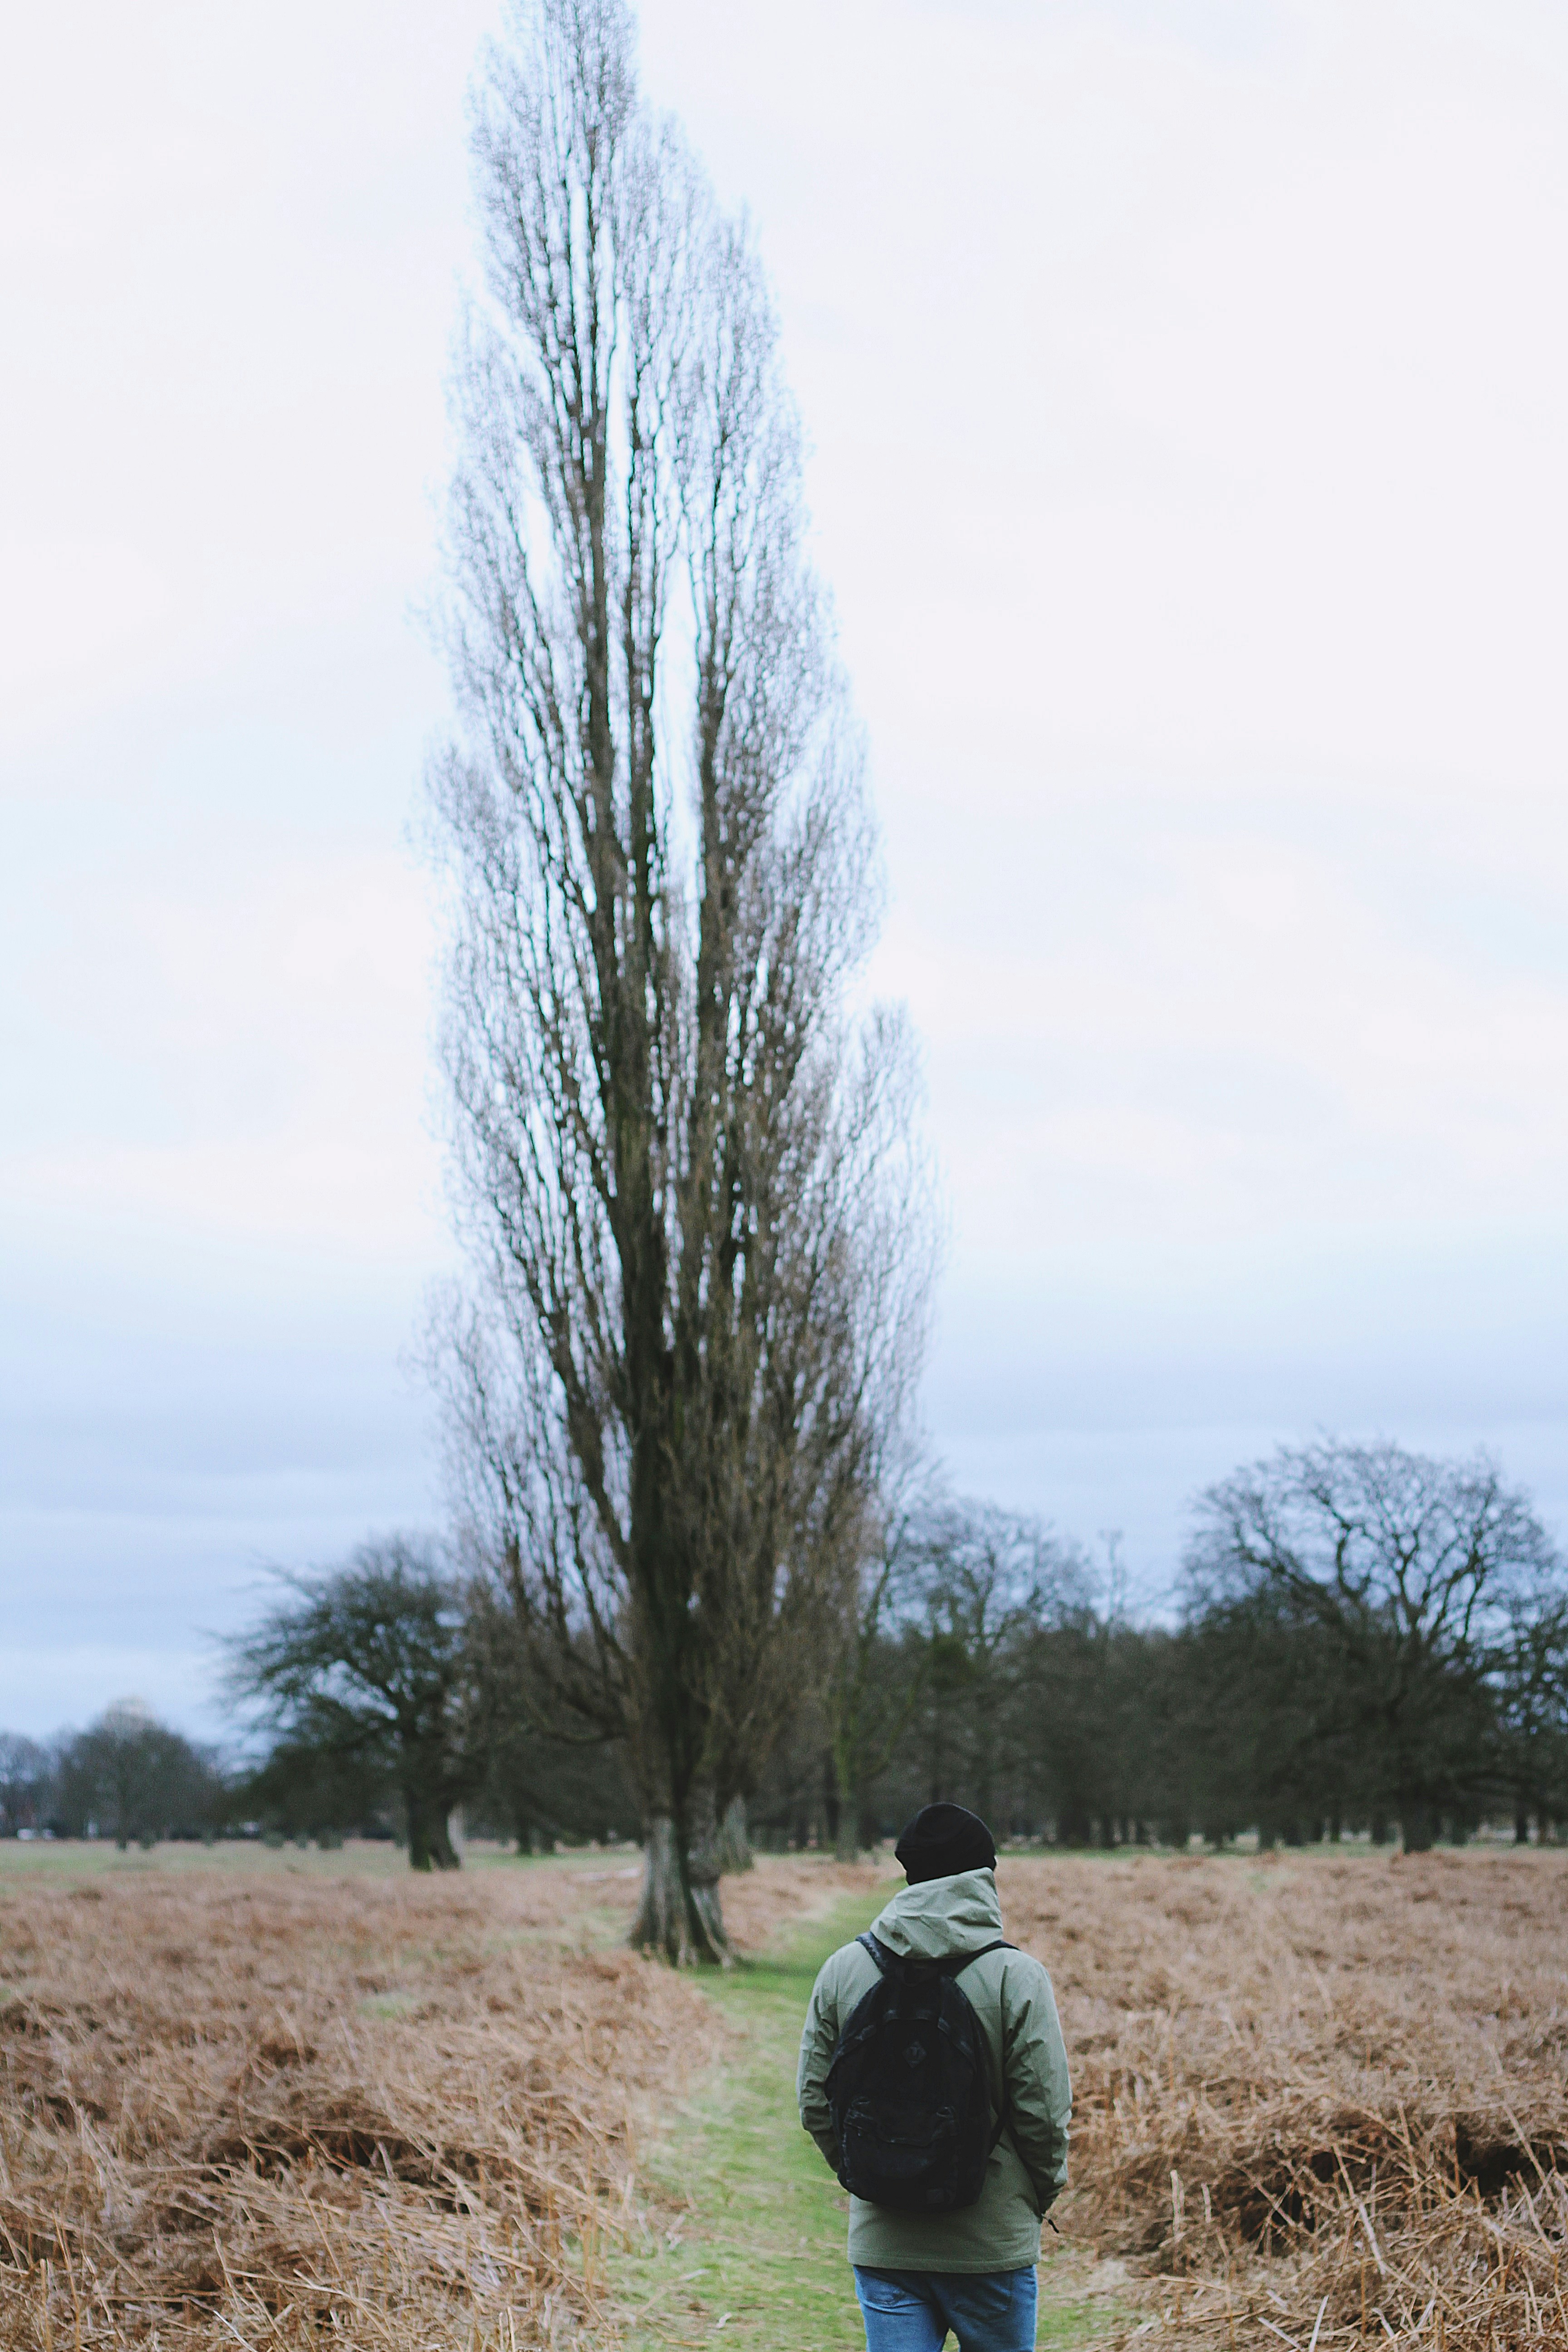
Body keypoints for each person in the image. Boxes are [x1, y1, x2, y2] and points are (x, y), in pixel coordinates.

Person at [796, 1802, 1071, 2352]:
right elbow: (1044, 2115)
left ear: (911, 1875)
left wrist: (870, 2172)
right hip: (990, 2241)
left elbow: (814, 2102)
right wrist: (1034, 2198)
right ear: (985, 1875)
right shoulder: (1017, 1977)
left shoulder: (844, 1969)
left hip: (886, 2243)